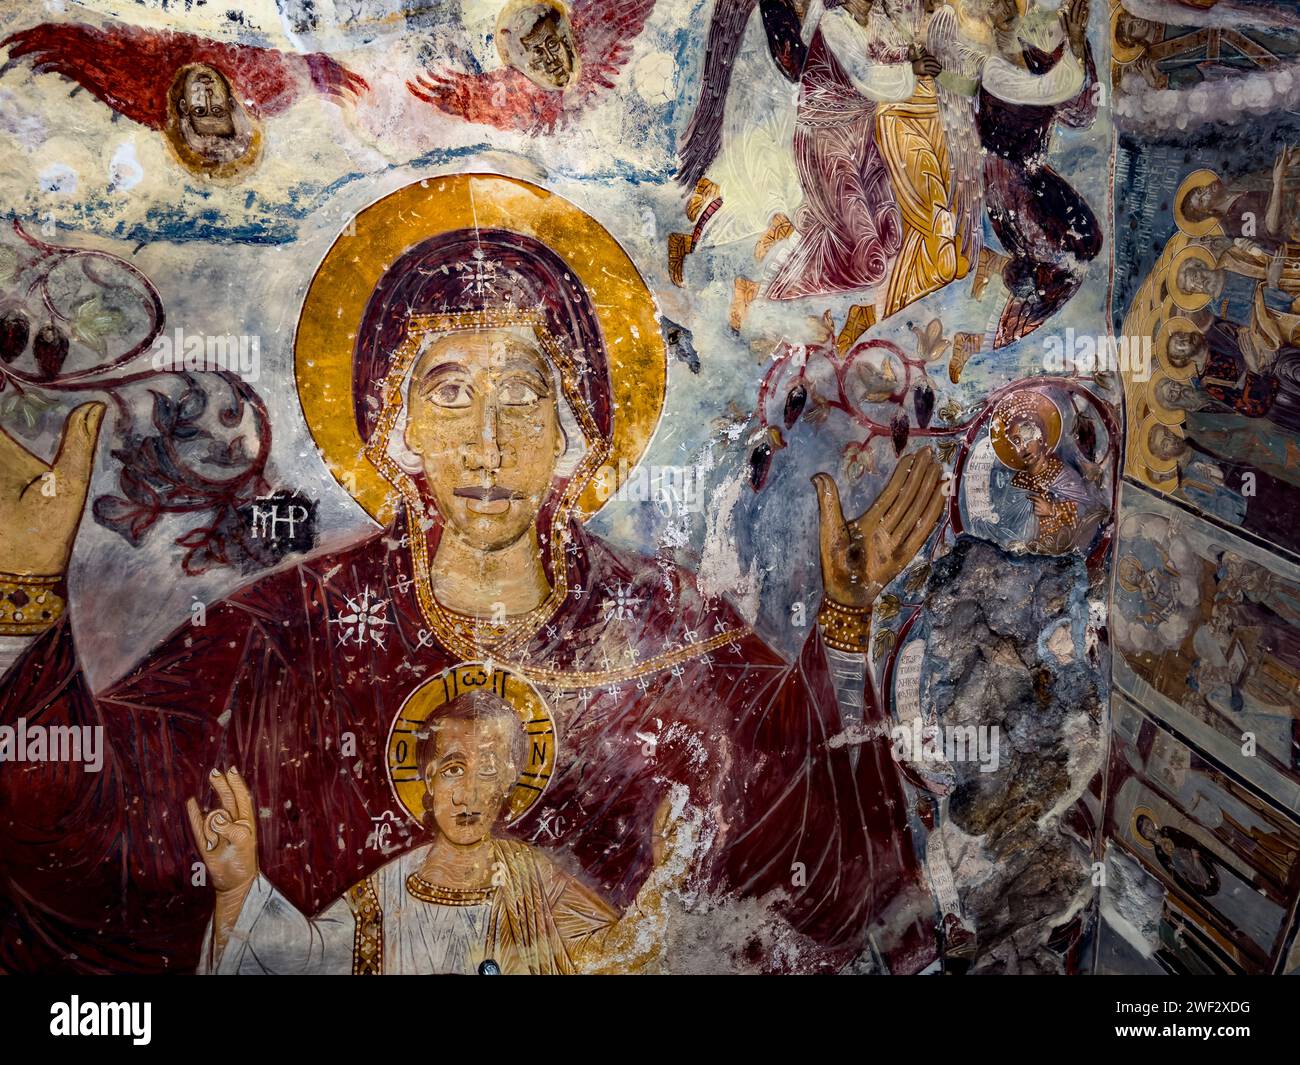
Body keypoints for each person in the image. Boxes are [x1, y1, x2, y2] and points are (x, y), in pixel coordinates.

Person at [0, 178, 947, 974]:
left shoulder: (666, 633)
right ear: (394, 425)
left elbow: (818, 856)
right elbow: (98, 836)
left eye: (524, 394)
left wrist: (847, 628)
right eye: (449, 392)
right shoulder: (287, 633)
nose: (487, 440)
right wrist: (23, 599)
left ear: (575, 431)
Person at [192, 690, 621, 975]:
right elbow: (302, 960)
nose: (467, 794)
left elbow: (620, 954)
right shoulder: (384, 896)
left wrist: (670, 871)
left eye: (487, 771)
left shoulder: (537, 883)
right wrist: (237, 889)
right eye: (453, 769)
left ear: (508, 781)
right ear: (428, 781)